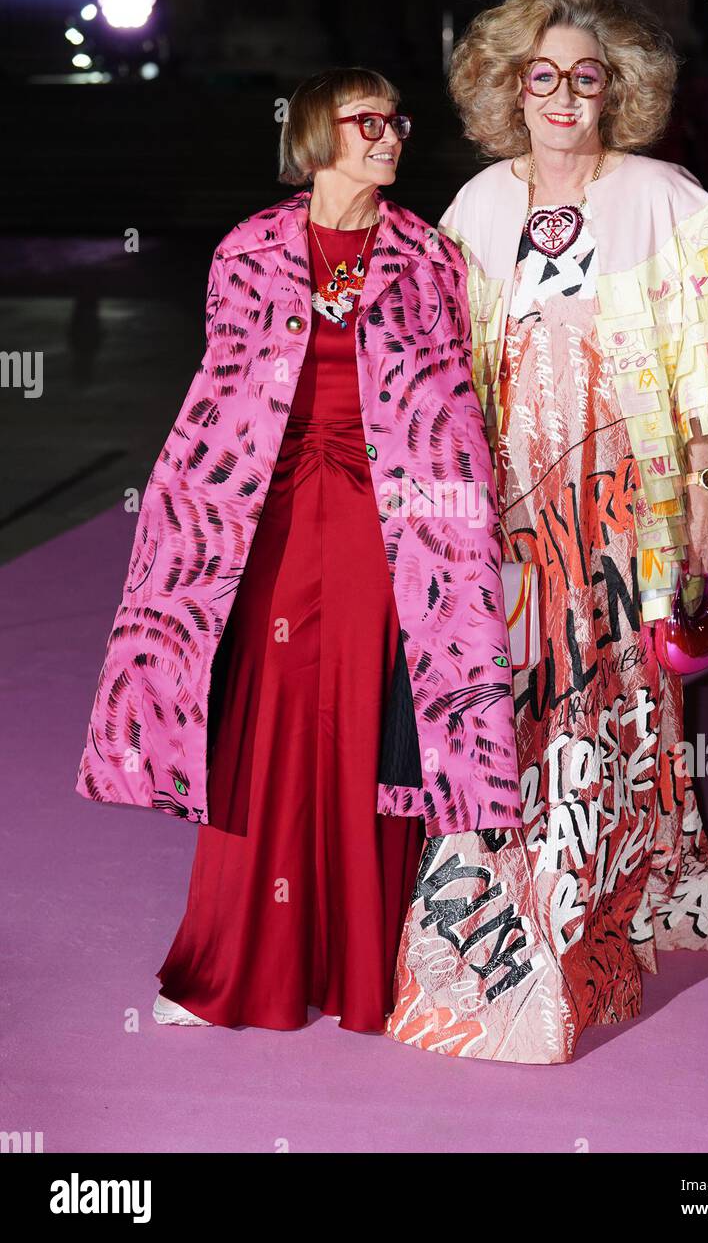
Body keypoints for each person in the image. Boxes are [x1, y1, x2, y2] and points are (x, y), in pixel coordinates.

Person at [75, 67, 522, 1035]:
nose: (391, 137)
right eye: (369, 122)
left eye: (397, 122)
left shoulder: (426, 256)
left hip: (388, 520)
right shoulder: (246, 249)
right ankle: (240, 960)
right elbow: (218, 396)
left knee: (365, 717)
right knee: (263, 719)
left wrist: (465, 524)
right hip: (264, 516)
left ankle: (365, 967)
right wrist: (184, 517)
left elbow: (451, 406)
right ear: (318, 135)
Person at [384, 0, 708, 1064]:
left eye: (581, 78)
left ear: (614, 90)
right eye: (538, 77)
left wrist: (699, 492)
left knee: (620, 688)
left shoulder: (664, 196)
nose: (559, 95)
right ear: (508, 88)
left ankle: (618, 890)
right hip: (506, 505)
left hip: (622, 499)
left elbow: (705, 358)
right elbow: (433, 368)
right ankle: (514, 907)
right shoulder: (476, 208)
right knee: (513, 687)